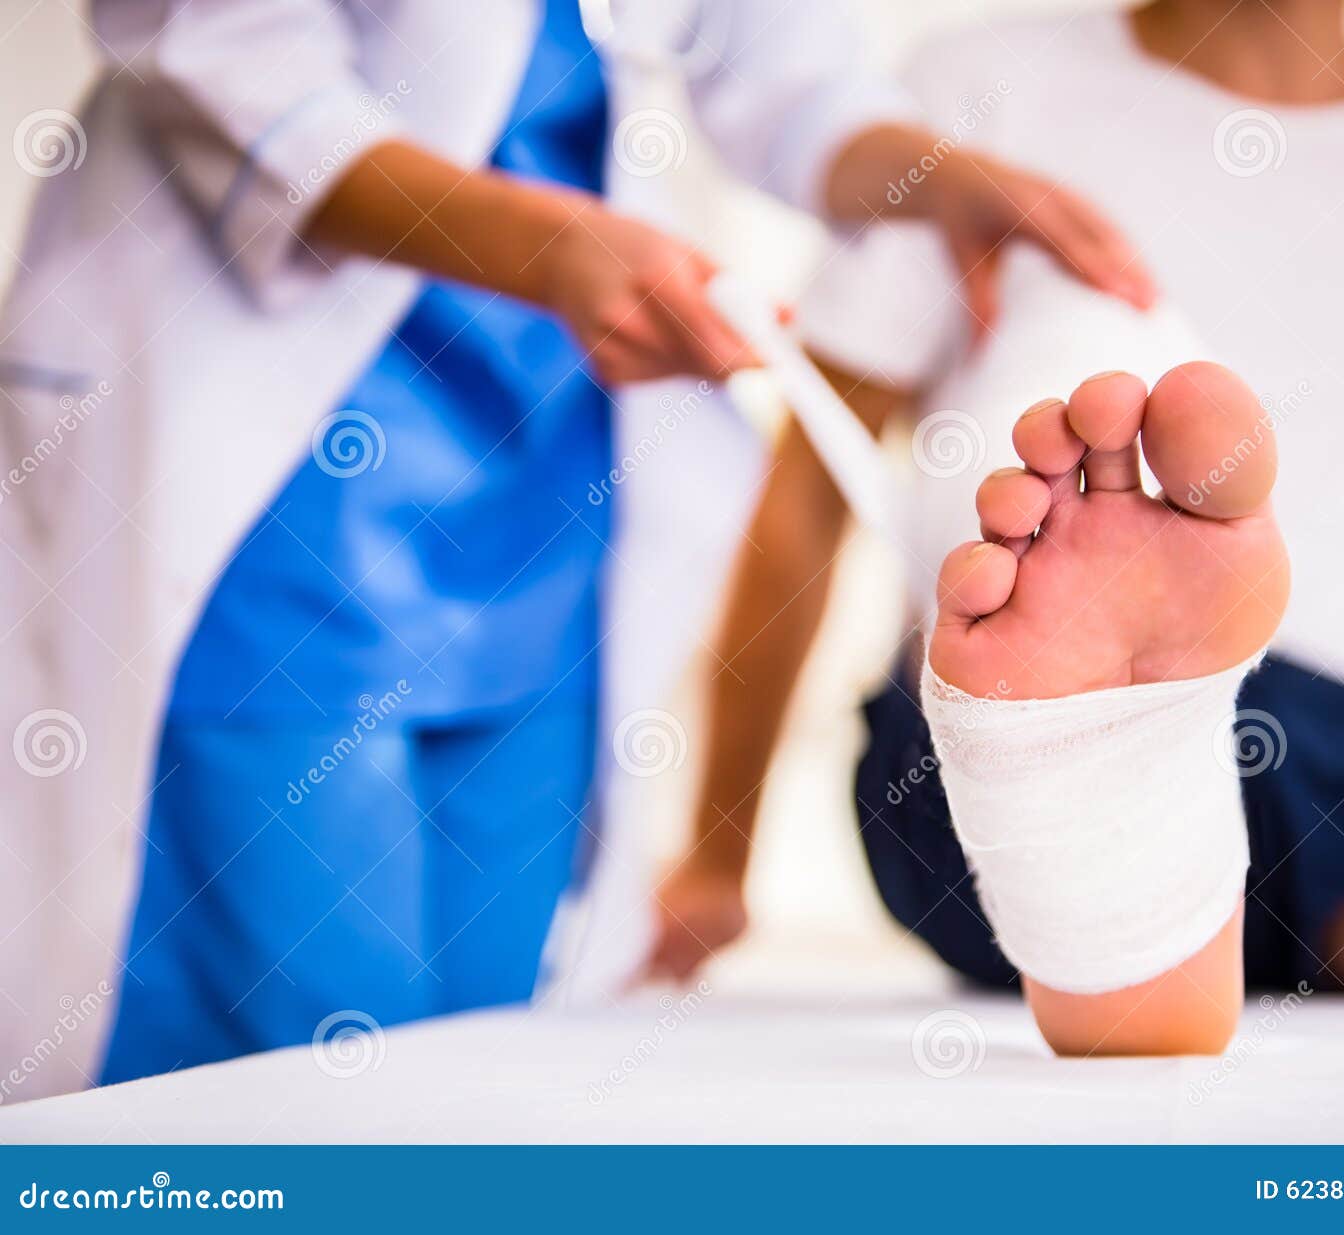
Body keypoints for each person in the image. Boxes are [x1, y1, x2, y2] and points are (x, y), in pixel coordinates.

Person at [0, 0, 1159, 1094]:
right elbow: (220, 50)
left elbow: (782, 74)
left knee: (476, 1042)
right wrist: (547, 247)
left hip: (550, 479)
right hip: (277, 476)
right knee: (300, 1065)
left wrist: (933, 177)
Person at [659, 0, 1344, 1022]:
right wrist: (717, 853)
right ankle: (1105, 754)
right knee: (1205, 732)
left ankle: (1132, 879)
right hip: (972, 739)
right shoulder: (974, 92)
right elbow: (808, 499)